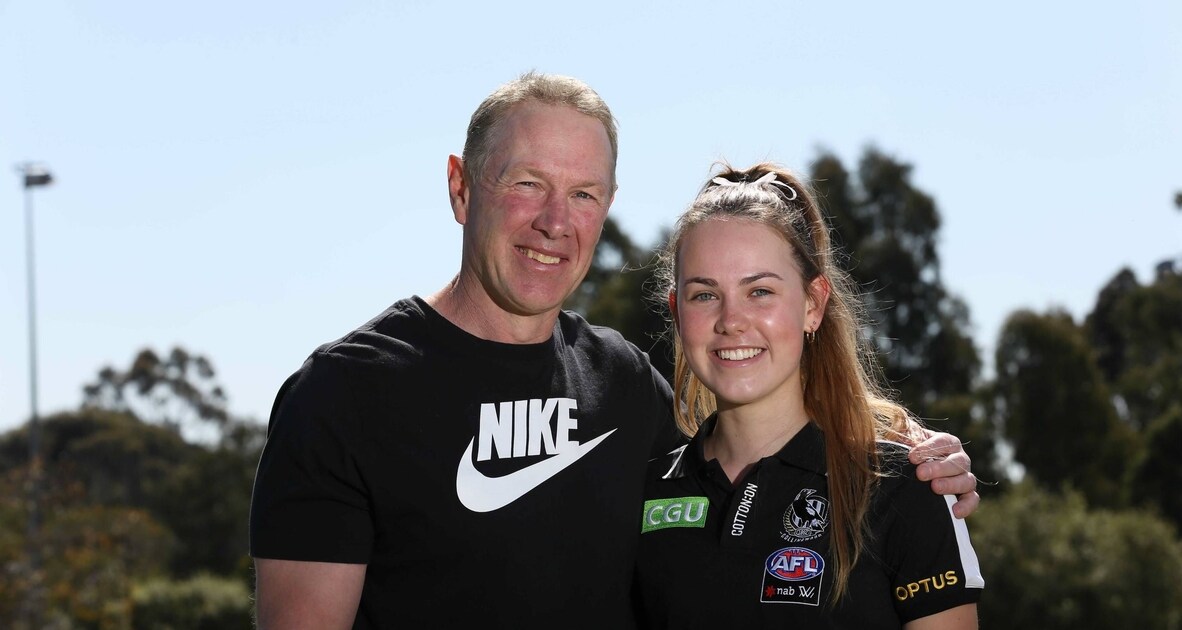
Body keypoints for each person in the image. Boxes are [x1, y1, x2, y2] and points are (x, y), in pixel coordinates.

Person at [249, 73, 979, 629]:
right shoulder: (342, 397)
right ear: (461, 188)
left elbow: (768, 439)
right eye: (527, 183)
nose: (554, 223)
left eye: (585, 194)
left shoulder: (623, 385)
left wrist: (912, 452)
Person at [633, 163, 984, 628]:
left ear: (813, 304)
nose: (731, 320)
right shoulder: (642, 493)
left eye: (759, 291)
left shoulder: (903, 487)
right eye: (704, 295)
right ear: (677, 312)